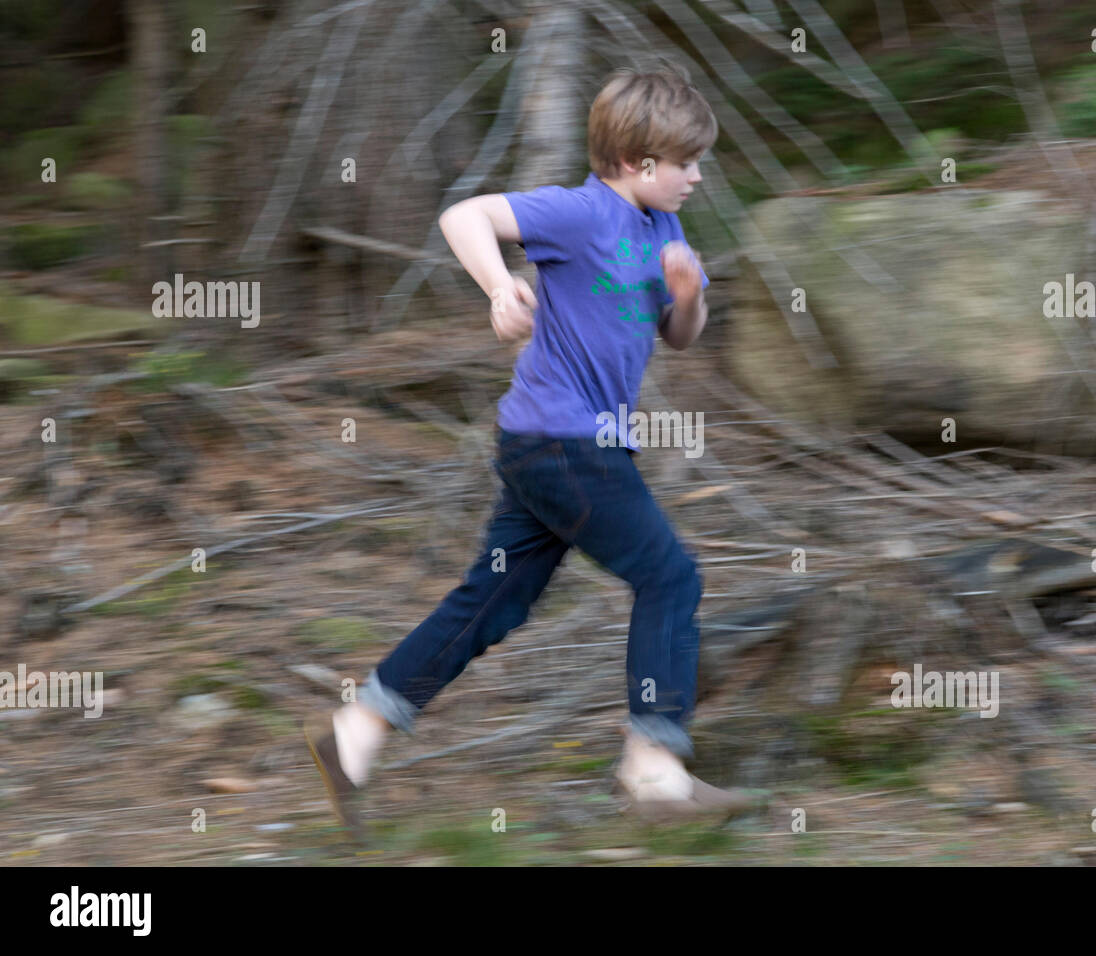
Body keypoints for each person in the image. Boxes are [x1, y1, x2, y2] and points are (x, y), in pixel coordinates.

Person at [305, 65, 757, 831]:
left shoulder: (664, 230)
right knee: (669, 577)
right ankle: (652, 767)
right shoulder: (578, 212)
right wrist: (498, 288)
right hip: (560, 442)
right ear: (637, 162)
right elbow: (464, 216)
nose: (698, 176)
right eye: (686, 162)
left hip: (557, 445)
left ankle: (356, 732)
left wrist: (687, 297)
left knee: (494, 599)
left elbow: (678, 339)